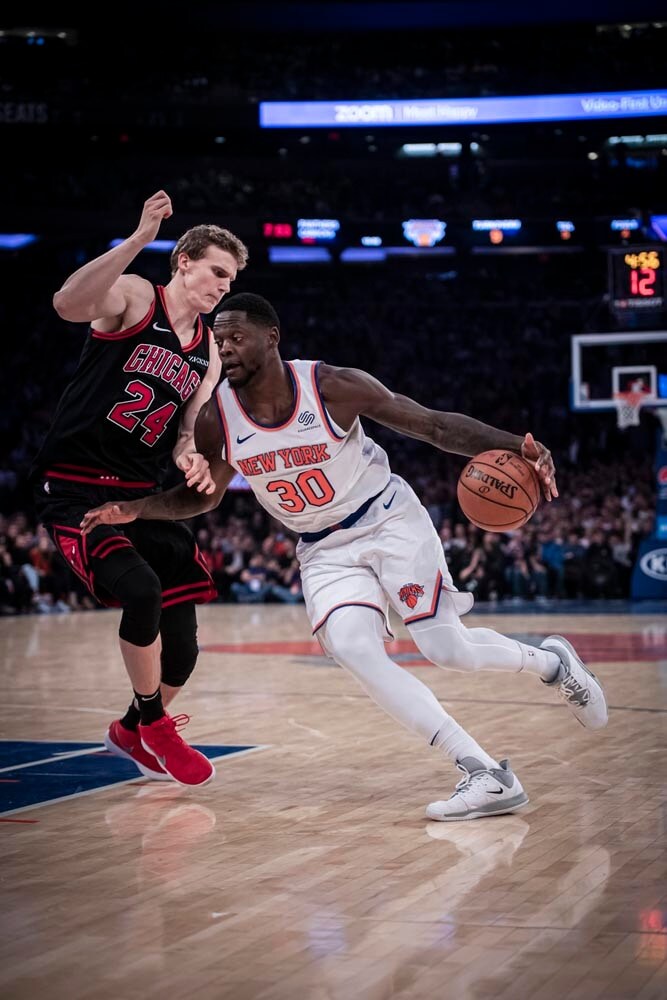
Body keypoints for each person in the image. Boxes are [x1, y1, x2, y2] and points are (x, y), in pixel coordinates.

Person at [81, 293, 608, 819]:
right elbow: (205, 496)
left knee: (447, 649)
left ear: (271, 338)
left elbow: (432, 425)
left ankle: (551, 664)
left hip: (387, 518)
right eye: (220, 340)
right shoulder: (218, 417)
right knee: (353, 650)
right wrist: (138, 509)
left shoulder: (331, 385)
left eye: (237, 337)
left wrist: (522, 447)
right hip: (322, 547)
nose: (226, 348)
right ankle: (484, 772)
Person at [31, 192, 249, 787]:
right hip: (76, 489)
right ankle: (154, 723)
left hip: (139, 496)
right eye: (217, 273)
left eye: (231, 281)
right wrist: (137, 236)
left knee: (185, 651)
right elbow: (66, 303)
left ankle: (129, 730)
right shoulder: (132, 296)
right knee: (142, 591)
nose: (223, 288)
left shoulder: (206, 352)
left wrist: (194, 462)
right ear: (183, 262)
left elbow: (182, 436)